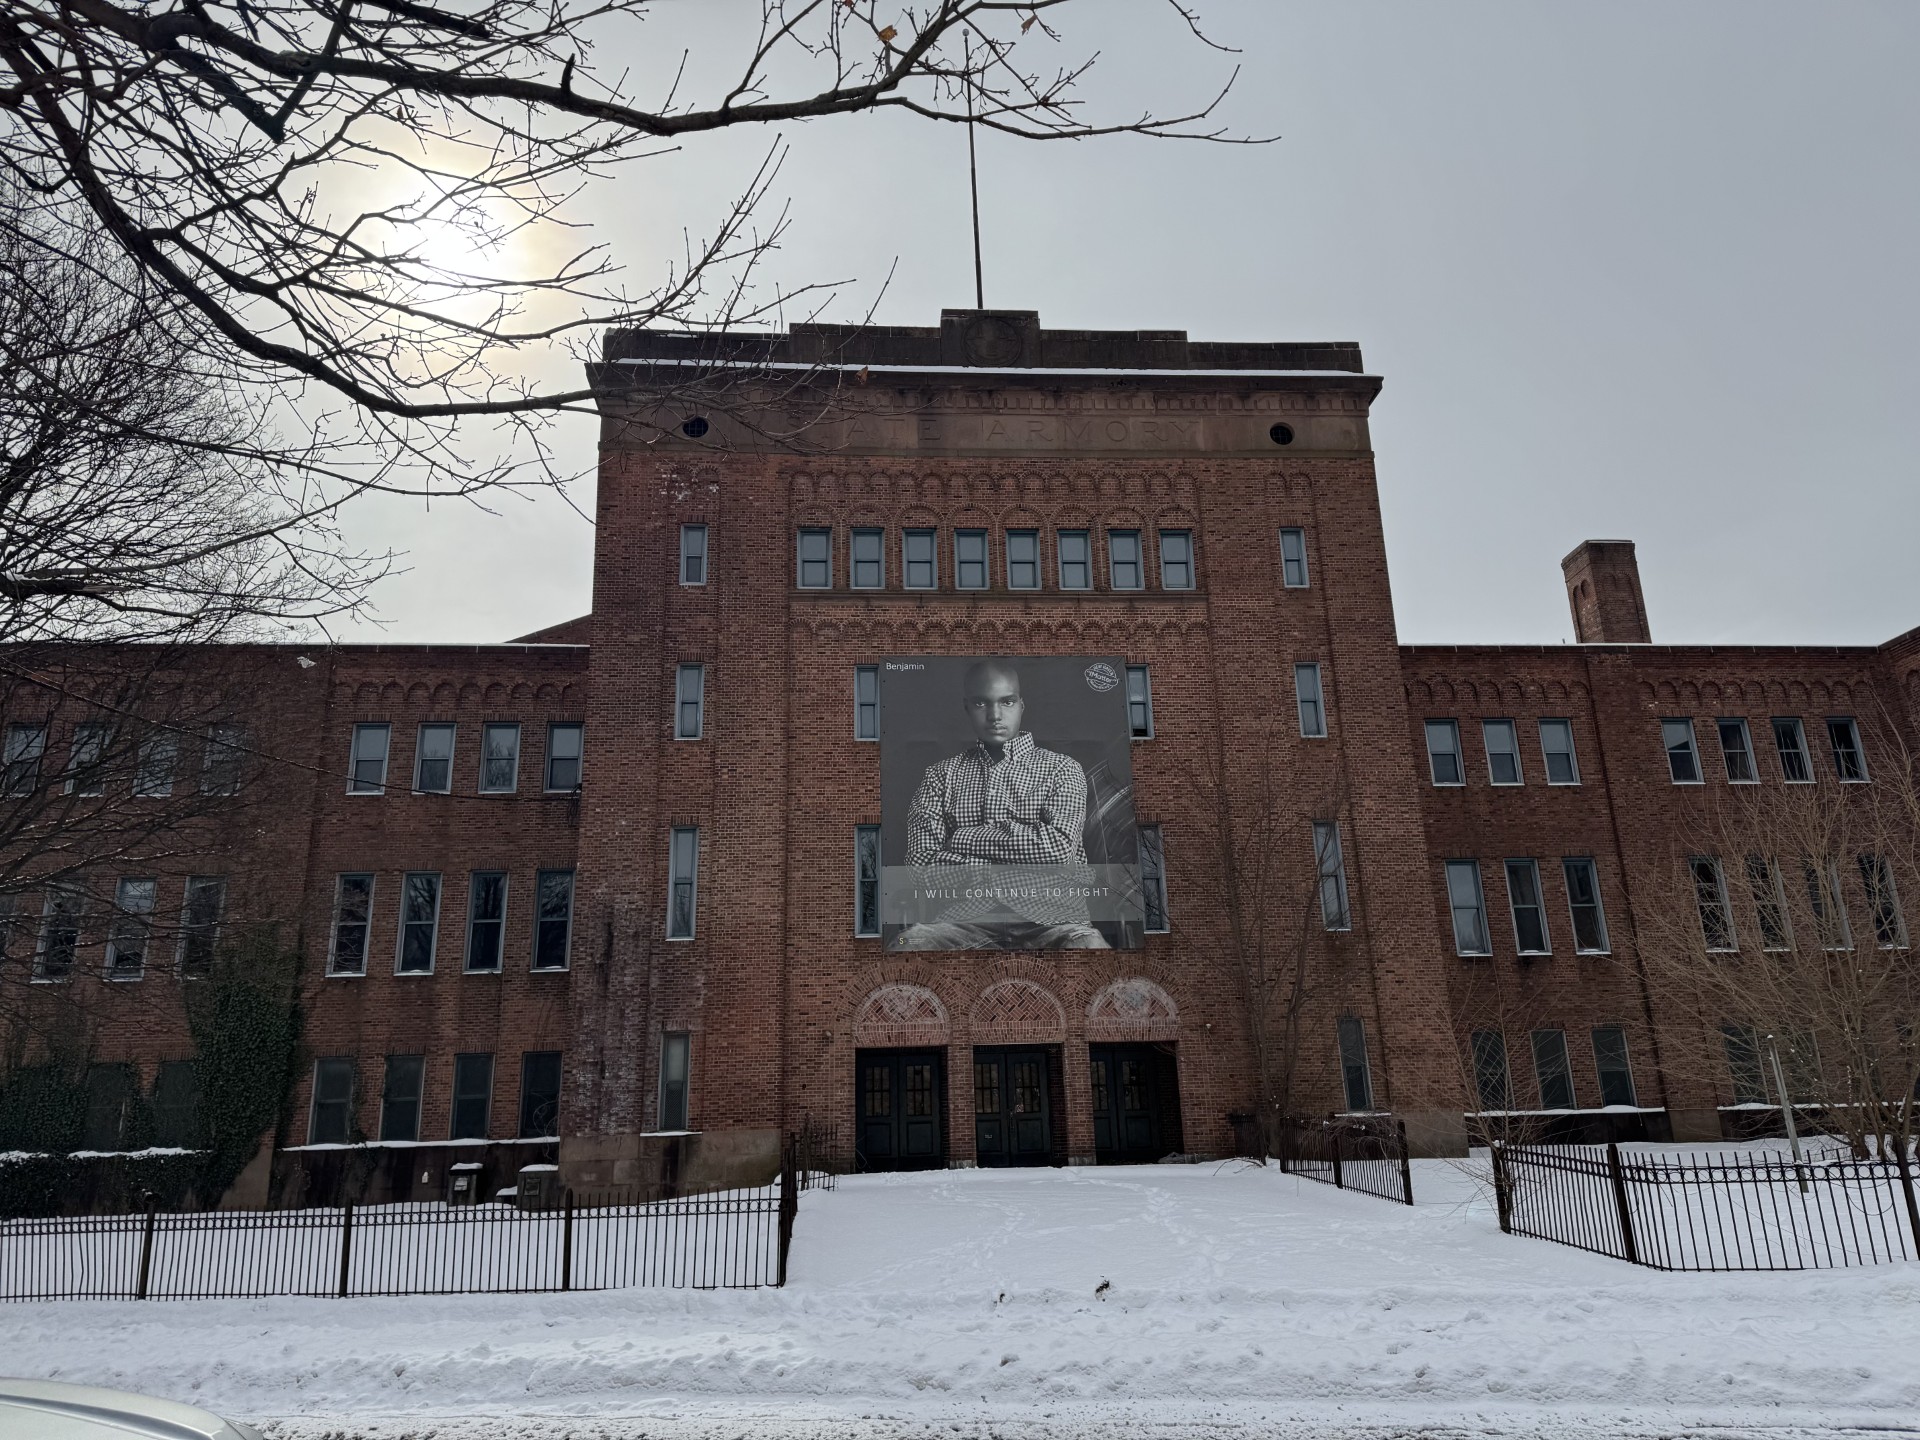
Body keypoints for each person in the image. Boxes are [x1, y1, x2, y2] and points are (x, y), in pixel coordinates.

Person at [892, 660, 1111, 950]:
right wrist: (1009, 867)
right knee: (909, 943)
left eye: (1007, 702)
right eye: (982, 703)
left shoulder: (1062, 768)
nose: (995, 715)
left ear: (1021, 705)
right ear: (967, 707)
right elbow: (920, 866)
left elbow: (1057, 849)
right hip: (963, 919)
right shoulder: (940, 775)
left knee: (1089, 949)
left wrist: (961, 837)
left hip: (1057, 917)